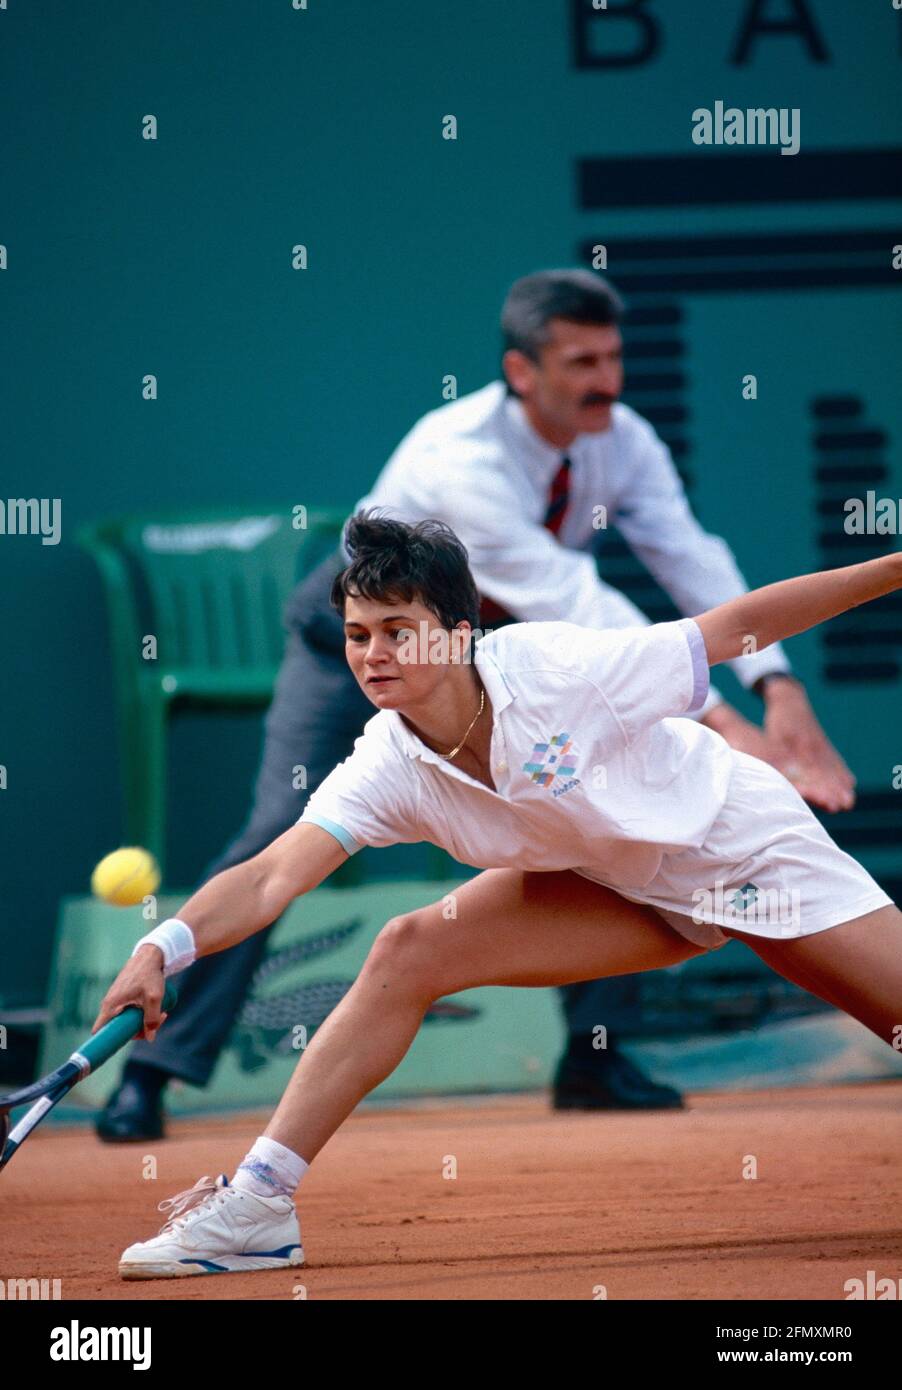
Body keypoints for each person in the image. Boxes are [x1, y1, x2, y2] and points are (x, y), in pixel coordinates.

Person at [97, 269, 855, 1140]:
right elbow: (577, 597)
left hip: (491, 659)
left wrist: (779, 684)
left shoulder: (625, 439)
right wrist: (730, 722)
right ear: (521, 371)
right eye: (581, 362)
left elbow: (689, 551)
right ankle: (152, 1071)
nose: (607, 379)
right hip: (355, 640)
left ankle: (593, 1059)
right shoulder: (460, 457)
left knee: (609, 796)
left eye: (613, 356)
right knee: (283, 829)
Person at [95, 512, 901, 1280]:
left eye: (397, 631)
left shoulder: (562, 671)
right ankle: (257, 1206)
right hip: (620, 887)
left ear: (456, 631)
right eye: (357, 635)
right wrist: (159, 947)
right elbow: (273, 874)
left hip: (739, 846)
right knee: (410, 951)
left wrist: (894, 568)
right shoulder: (387, 763)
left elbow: (734, 627)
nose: (373, 654)